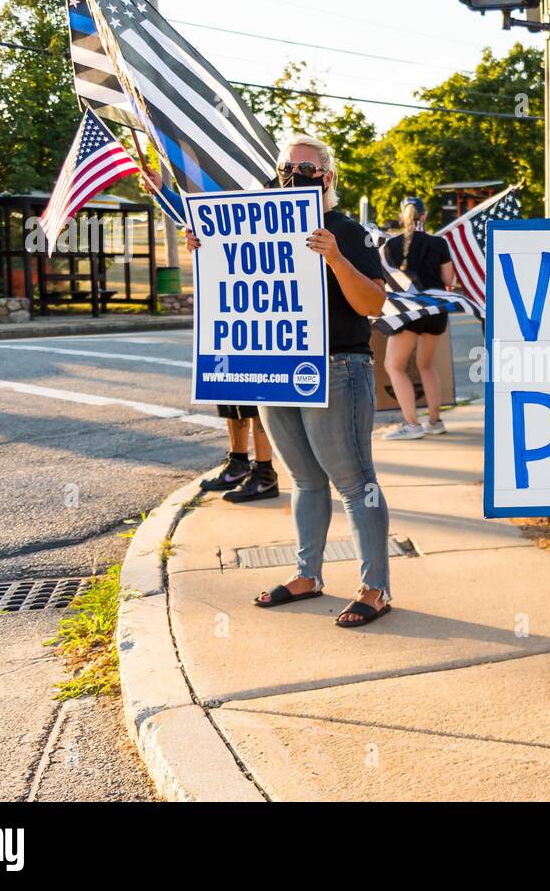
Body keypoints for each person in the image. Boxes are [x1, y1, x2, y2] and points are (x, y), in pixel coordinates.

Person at [185, 134, 393, 628]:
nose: (293, 176)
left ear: (327, 177)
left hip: (338, 367)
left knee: (354, 481)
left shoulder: (347, 231)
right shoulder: (262, 231)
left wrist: (335, 258)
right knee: (303, 478)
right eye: (285, 169)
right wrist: (207, 250)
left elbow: (373, 305)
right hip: (276, 368)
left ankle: (375, 587)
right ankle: (307, 575)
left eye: (304, 168)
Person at [138, 167, 279, 504]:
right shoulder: (220, 206)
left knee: (259, 400)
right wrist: (161, 190)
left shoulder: (265, 202)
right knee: (229, 393)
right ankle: (238, 463)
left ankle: (265, 471)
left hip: (257, 315)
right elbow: (190, 215)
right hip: (224, 313)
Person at [380, 196, 456, 440]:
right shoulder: (439, 242)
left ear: (403, 217)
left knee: (394, 366)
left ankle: (412, 424)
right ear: (424, 216)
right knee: (426, 364)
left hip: (409, 311)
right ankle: (435, 421)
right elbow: (448, 281)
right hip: (435, 310)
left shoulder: (391, 245)